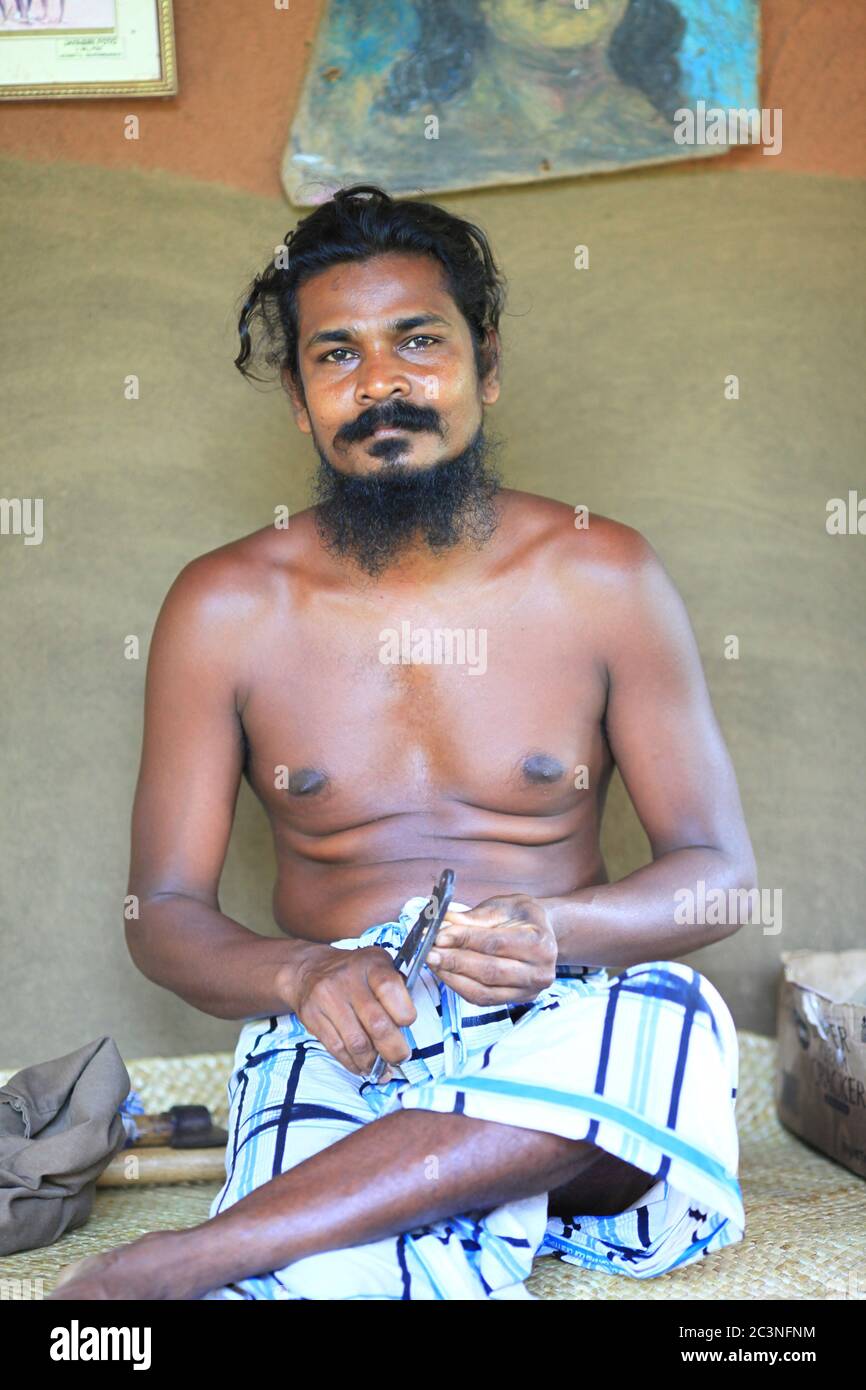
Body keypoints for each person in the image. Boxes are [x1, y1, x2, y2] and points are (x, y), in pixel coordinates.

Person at [50, 183, 756, 1301]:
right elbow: (163, 914)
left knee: (661, 1015)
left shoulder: (602, 574)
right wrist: (299, 971)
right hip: (349, 1026)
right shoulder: (223, 607)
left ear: (486, 364)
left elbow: (719, 883)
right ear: (298, 397)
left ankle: (211, 1249)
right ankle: (385, 1207)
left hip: (565, 1008)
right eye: (337, 356)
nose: (381, 383)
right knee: (346, 1279)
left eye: (418, 342)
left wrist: (555, 927)